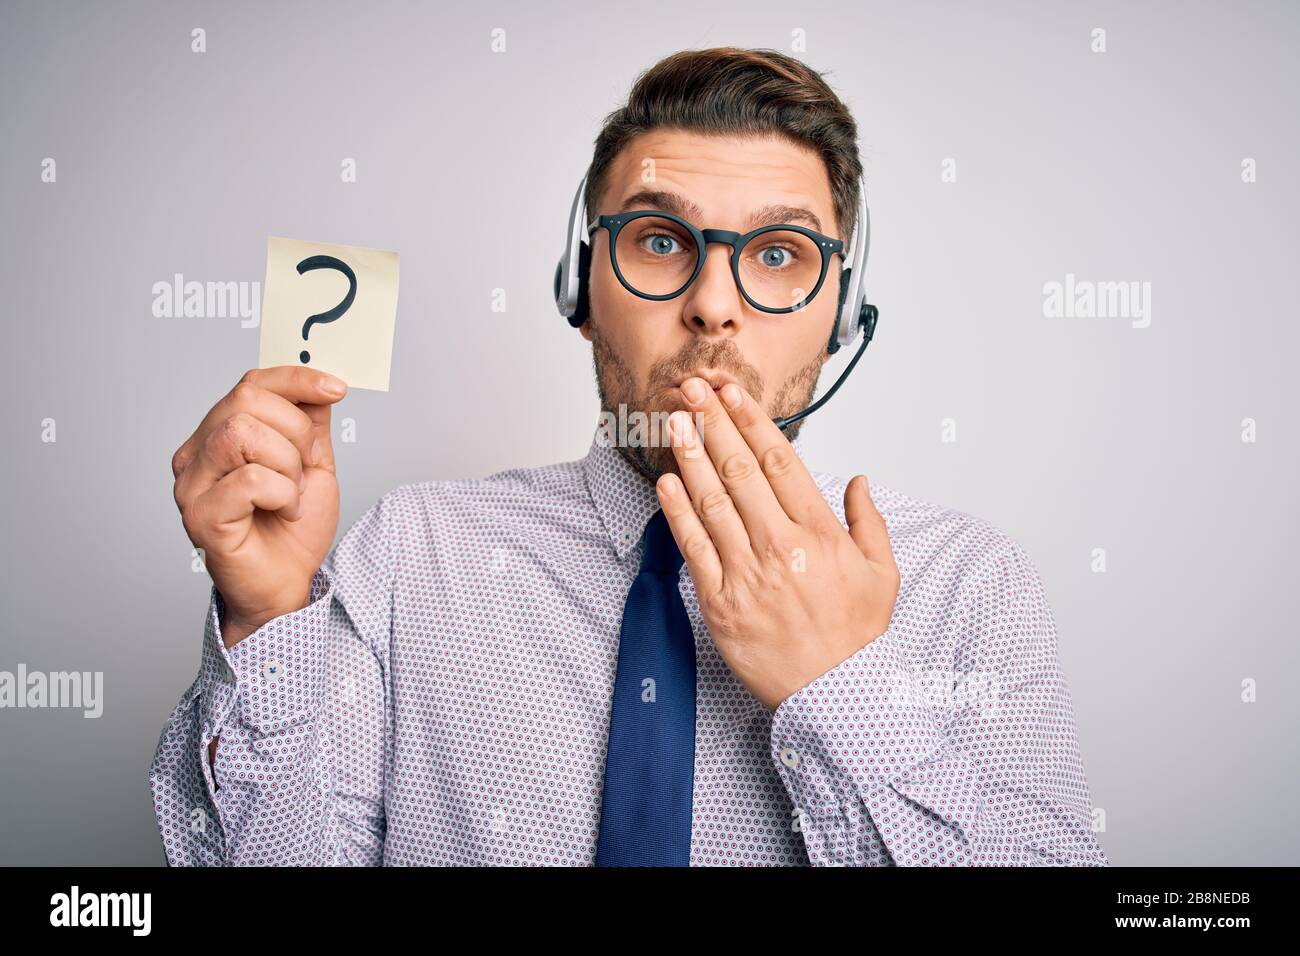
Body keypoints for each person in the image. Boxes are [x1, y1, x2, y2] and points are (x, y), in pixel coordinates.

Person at [150, 47, 1108, 866]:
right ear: (581, 290)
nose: (714, 304)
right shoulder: (412, 554)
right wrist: (267, 615)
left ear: (842, 316)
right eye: (659, 241)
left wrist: (835, 682)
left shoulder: (967, 585)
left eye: (778, 254)